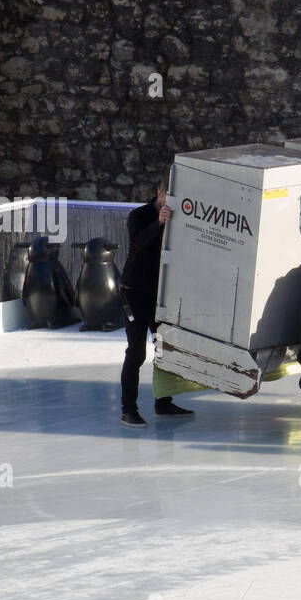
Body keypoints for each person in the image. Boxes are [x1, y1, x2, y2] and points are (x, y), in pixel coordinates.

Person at [119, 176, 194, 427]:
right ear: (159, 193)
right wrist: (159, 223)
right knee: (136, 351)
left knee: (164, 349)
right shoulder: (138, 216)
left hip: (158, 296)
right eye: (166, 195)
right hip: (133, 293)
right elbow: (138, 244)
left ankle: (163, 402)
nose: (168, 200)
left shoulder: (176, 218)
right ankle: (128, 409)